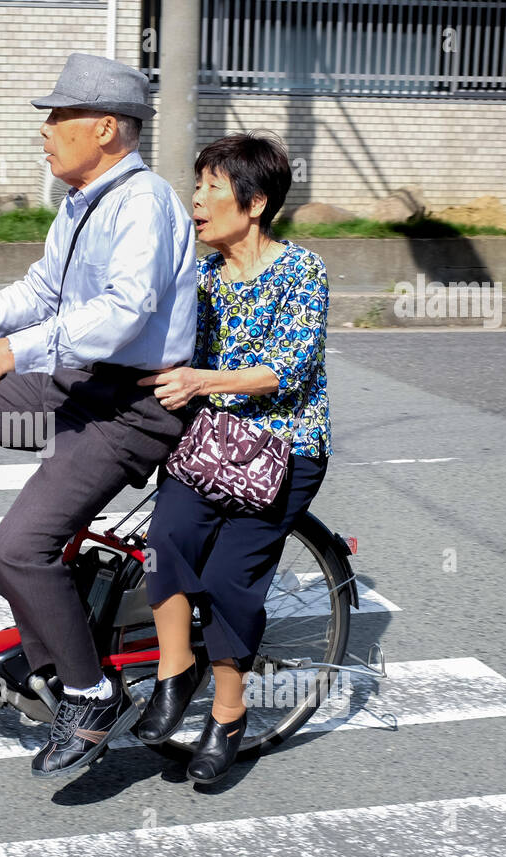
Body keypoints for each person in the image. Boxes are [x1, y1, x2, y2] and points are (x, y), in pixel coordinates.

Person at [0, 53, 196, 778]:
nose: (45, 130)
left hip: (128, 408)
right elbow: (40, 293)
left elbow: (124, 313)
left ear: (104, 129)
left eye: (58, 116)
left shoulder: (143, 203)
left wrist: (14, 351)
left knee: (24, 549)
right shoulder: (81, 203)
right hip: (72, 383)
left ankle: (90, 694)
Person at [134, 132, 331, 785]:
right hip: (214, 446)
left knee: (226, 582)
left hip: (285, 448)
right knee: (165, 539)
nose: (196, 201)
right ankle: (173, 672)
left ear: (255, 203)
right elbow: (159, 346)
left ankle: (228, 713)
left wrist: (199, 381)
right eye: (197, 188)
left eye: (212, 188)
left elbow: (287, 370)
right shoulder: (201, 279)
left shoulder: (302, 271)